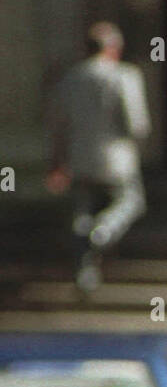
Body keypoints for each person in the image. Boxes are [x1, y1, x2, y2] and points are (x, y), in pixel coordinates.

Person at [46, 22, 151, 293]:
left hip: (79, 160)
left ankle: (85, 274)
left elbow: (57, 126)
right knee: (131, 201)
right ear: (114, 48)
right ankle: (104, 231)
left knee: (82, 214)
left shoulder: (69, 79)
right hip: (116, 160)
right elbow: (136, 124)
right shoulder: (124, 75)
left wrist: (57, 163)